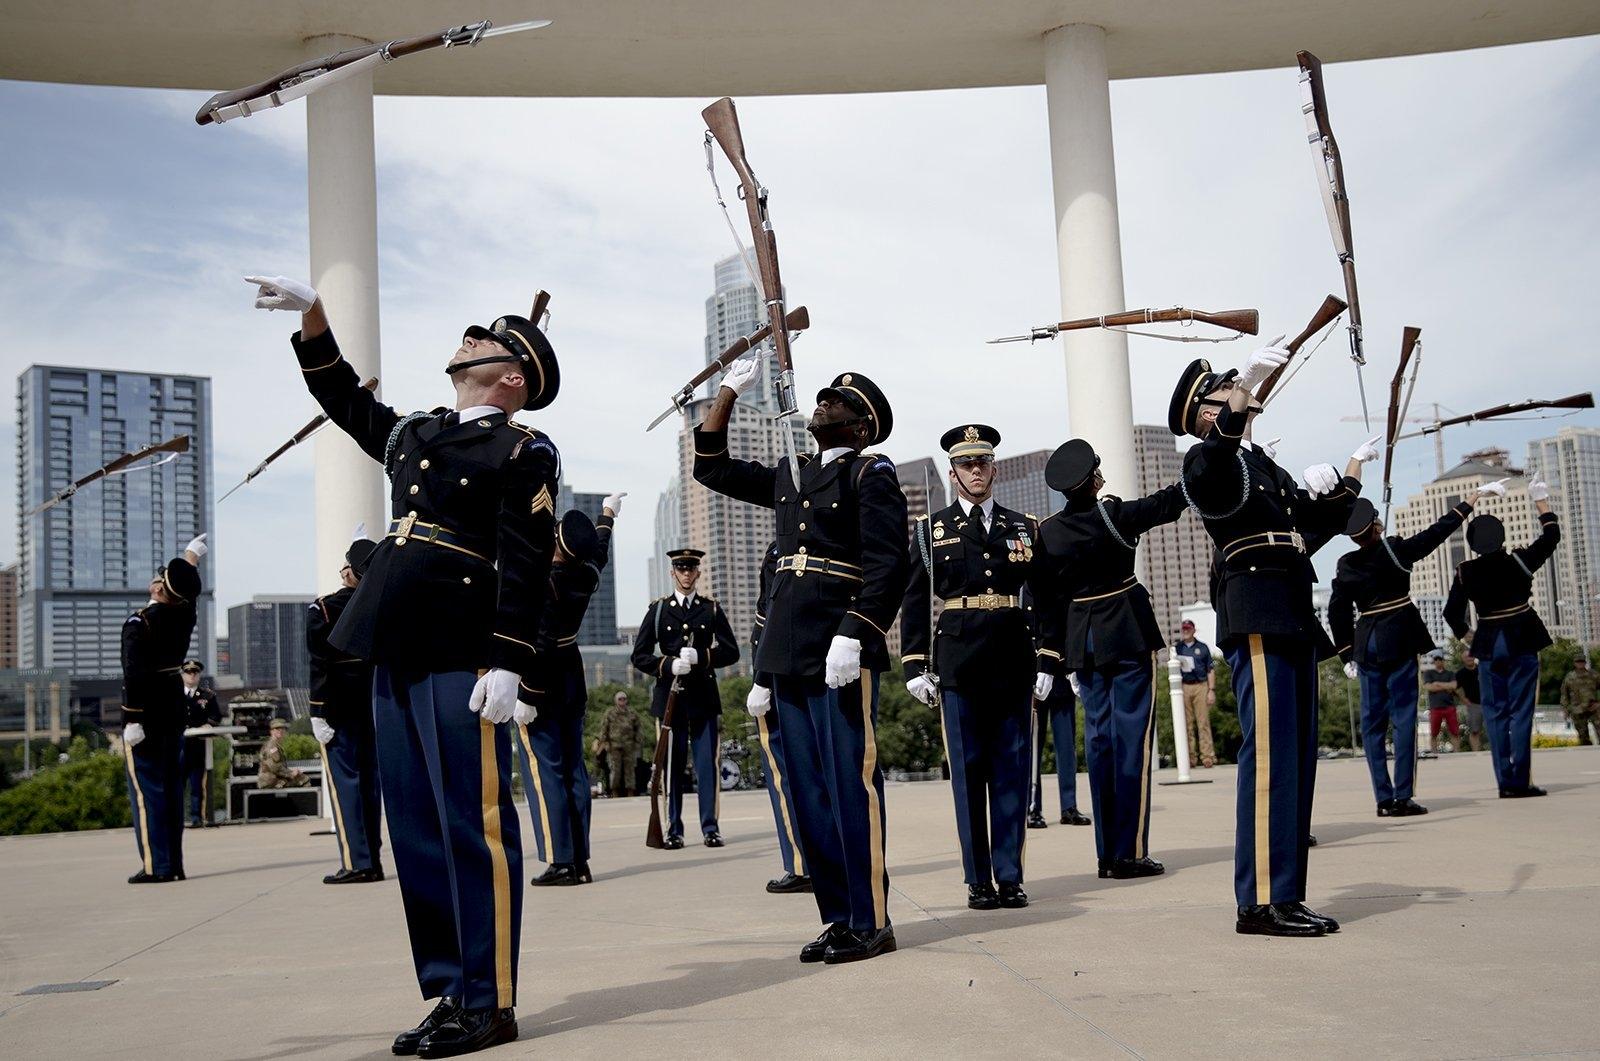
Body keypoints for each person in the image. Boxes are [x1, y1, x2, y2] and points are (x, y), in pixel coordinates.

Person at [249, 274, 561, 1057]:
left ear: (512, 376)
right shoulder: (416, 433)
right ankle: (450, 990)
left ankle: (490, 1001)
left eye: (481, 338)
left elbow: (527, 562)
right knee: (417, 827)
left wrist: (509, 661)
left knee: (472, 824)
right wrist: (315, 319)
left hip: (463, 647)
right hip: (394, 641)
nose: (465, 339)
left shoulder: (523, 448)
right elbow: (347, 401)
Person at [694, 357, 909, 965]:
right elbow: (710, 468)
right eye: (823, 397)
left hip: (836, 645)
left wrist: (858, 630)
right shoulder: (793, 475)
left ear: (862, 424)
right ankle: (838, 918)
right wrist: (731, 390)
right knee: (808, 794)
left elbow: (889, 564)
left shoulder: (871, 474)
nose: (823, 403)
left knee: (849, 783)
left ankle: (871, 919)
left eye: (838, 401)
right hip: (787, 649)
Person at [1171, 341, 1374, 937]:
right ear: (1207, 413)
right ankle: (1259, 900)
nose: (1244, 389)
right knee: (1268, 757)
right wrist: (1239, 405)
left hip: (1290, 609)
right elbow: (1208, 472)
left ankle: (1285, 893)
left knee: (1296, 757)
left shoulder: (1261, 464)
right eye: (1227, 389)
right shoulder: (1206, 460)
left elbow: (1305, 532)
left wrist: (1343, 483)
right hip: (1255, 609)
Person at [901, 425, 1054, 910]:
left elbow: (1046, 597)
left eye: (983, 462)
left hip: (1012, 657)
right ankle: (978, 880)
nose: (976, 470)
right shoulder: (932, 529)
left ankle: (1010, 876)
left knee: (1012, 770)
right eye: (967, 464)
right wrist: (913, 664)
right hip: (959, 660)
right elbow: (913, 598)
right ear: (954, 472)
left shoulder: (1025, 526)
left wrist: (1048, 658)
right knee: (967, 773)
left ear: (993, 469)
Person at [1034, 438, 1187, 882]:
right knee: (1131, 744)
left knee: (1100, 746)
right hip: (1128, 629)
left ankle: (1107, 854)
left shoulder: (1049, 532)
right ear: (1095, 478)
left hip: (1084, 640)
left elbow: (1045, 599)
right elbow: (1170, 501)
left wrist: (1052, 656)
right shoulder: (1114, 514)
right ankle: (1131, 852)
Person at [1328, 484, 1498, 816]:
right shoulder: (1395, 550)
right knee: (1403, 719)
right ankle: (1402, 795)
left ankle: (1382, 798)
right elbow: (1436, 534)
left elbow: (1337, 610)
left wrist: (1346, 653)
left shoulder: (1346, 563)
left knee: (1372, 725)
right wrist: (1468, 503)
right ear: (1376, 526)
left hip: (1367, 645)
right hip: (1400, 638)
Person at [517, 499, 622, 886]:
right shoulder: (585, 573)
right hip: (571, 678)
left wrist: (526, 693)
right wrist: (606, 517)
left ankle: (560, 860)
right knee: (574, 771)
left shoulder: (544, 582)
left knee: (546, 772)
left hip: (542, 682)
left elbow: (540, 645)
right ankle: (579, 859)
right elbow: (599, 550)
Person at [1445, 479, 1560, 799]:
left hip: (1489, 643)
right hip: (1522, 638)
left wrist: (1470, 637)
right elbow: (1551, 537)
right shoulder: (1520, 561)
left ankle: (1504, 783)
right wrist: (1541, 502)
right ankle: (1520, 781)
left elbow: (1452, 614)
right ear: (1502, 538)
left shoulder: (1464, 571)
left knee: (1495, 714)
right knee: (1520, 712)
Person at [630, 548, 740, 849]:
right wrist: (666, 665)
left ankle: (710, 828)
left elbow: (731, 651)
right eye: (681, 568)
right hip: (670, 700)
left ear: (699, 573)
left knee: (708, 766)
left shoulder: (711, 609)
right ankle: (673, 829)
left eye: (691, 568)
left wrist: (704, 656)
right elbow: (639, 655)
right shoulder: (659, 610)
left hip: (704, 697)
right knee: (672, 768)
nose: (687, 574)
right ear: (672, 573)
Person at [121, 535, 208, 884]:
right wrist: (191, 559)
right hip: (172, 709)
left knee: (149, 792)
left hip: (147, 711)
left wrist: (132, 717)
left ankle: (158, 865)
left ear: (159, 591)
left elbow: (134, 674)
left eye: (160, 578)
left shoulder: (138, 623)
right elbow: (188, 590)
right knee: (172, 790)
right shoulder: (184, 614)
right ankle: (174, 863)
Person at [307, 532, 384, 884]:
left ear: (348, 571)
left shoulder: (323, 608)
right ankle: (373, 859)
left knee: (347, 786)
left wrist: (318, 710)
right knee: (369, 785)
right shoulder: (382, 603)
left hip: (337, 706)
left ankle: (357, 862)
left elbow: (320, 664)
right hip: (374, 703)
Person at [748, 542, 812, 894]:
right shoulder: (777, 550)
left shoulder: (781, 552)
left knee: (783, 773)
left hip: (777, 672)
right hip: (778, 666)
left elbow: (773, 618)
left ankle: (802, 865)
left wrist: (760, 678)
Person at [179, 659, 222, 828]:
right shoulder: (174, 696)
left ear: (199, 674)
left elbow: (216, 716)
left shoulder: (207, 696)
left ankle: (197, 817)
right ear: (183, 675)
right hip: (179, 747)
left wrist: (209, 725)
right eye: (188, 672)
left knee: (197, 785)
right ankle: (177, 819)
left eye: (195, 672)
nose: (192, 675)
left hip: (198, 746)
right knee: (177, 786)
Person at [1173, 620, 1218, 768]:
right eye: (1183, 629)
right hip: (1184, 686)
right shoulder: (1178, 648)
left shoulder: (1202, 647)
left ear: (1193, 630)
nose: (1185, 631)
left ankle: (1207, 756)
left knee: (1203, 722)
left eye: (1188, 628)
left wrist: (1211, 690)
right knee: (1186, 724)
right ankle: (1189, 758)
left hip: (1200, 686)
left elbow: (1210, 669)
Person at [596, 692, 645, 797]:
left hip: (629, 746)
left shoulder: (632, 713)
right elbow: (604, 729)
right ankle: (614, 792)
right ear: (615, 701)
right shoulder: (610, 713)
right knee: (615, 770)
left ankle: (630, 791)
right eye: (620, 699)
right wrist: (603, 742)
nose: (622, 701)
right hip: (614, 746)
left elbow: (638, 729)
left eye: (624, 699)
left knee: (630, 770)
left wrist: (638, 743)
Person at [1422, 651, 1463, 754]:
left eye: (1440, 659)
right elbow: (1428, 687)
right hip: (1435, 707)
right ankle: (1434, 752)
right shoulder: (1429, 673)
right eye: (1436, 659)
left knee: (1454, 731)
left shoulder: (1450, 673)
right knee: (1434, 732)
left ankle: (1457, 752)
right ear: (1433, 661)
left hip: (1449, 706)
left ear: (1443, 660)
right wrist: (1446, 686)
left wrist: (1437, 684)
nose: (1438, 661)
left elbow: (1453, 686)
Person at [258, 717, 311, 788]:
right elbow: (275, 768)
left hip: (274, 779)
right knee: (304, 779)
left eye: (282, 729)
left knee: (301, 777)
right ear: (271, 731)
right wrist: (291, 774)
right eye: (276, 729)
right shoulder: (272, 746)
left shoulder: (276, 745)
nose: (280, 731)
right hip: (271, 781)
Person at [1560, 656, 1599, 746]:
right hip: (1577, 709)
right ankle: (1587, 756)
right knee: (1583, 736)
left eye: (1582, 662)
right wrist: (1565, 709)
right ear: (1574, 663)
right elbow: (1564, 694)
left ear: (1585, 663)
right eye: (1578, 662)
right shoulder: (1570, 677)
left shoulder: (1594, 675)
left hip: (1593, 707)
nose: (1580, 664)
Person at [1455, 646, 1486, 753]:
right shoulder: (1460, 673)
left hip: (1488, 703)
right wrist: (1463, 699)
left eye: (1471, 656)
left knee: (1494, 729)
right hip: (1473, 705)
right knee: (1474, 731)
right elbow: (1455, 689)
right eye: (1466, 657)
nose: (1469, 658)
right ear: (1463, 659)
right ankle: (1477, 754)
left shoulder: (1482, 668)